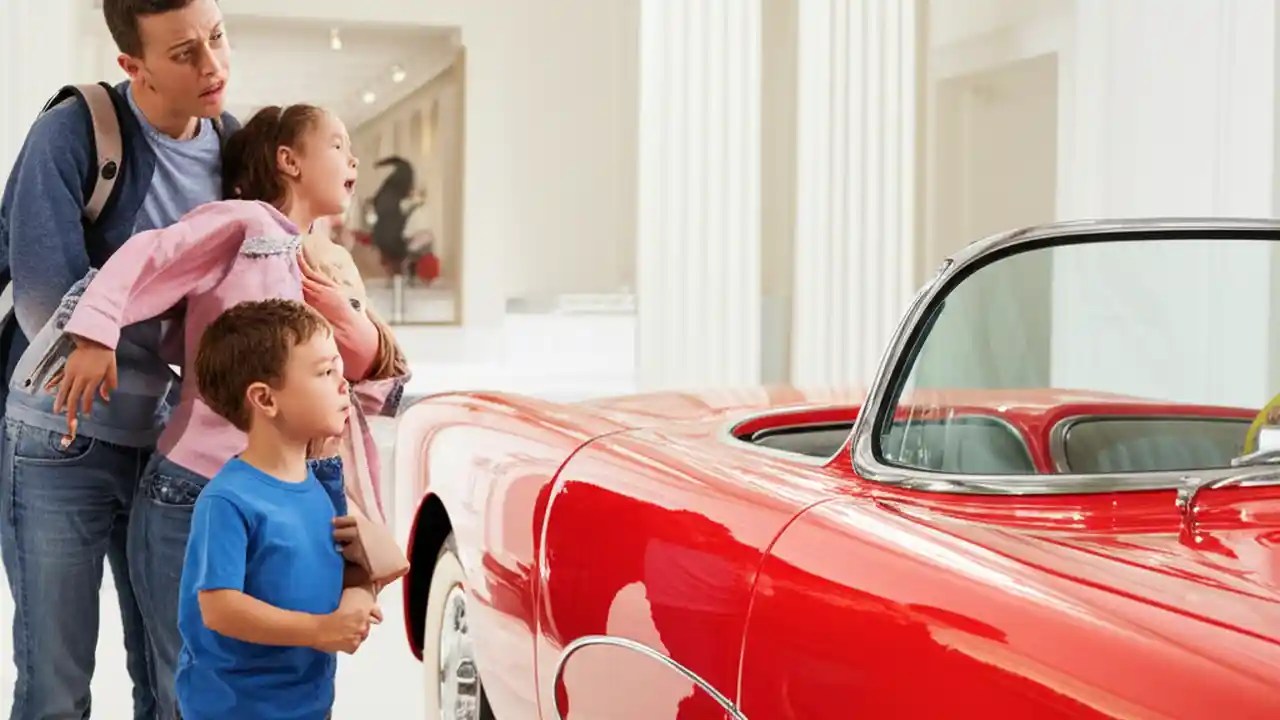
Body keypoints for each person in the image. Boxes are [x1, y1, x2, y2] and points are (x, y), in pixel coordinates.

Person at [14, 102, 409, 718]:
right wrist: (95, 332)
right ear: (289, 161)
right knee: (190, 689)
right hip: (200, 485)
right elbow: (152, 255)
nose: (353, 159)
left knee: (278, 678)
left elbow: (375, 374)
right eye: (337, 144)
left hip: (295, 486)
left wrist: (344, 307)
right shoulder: (246, 224)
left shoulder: (324, 263)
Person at [0, 1, 236, 716]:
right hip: (59, 437)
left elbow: (271, 259)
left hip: (170, 445)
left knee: (175, 674)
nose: (214, 65)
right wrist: (132, 336)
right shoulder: (72, 132)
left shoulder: (236, 140)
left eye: (218, 38)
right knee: (57, 680)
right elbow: (44, 290)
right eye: (185, 53)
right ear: (132, 66)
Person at [178, 299, 381, 720]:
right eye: (326, 373)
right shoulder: (228, 501)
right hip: (233, 711)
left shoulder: (322, 484)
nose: (344, 386)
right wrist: (322, 631)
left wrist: (357, 601)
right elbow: (220, 609)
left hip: (308, 705)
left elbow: (356, 574)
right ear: (265, 399)